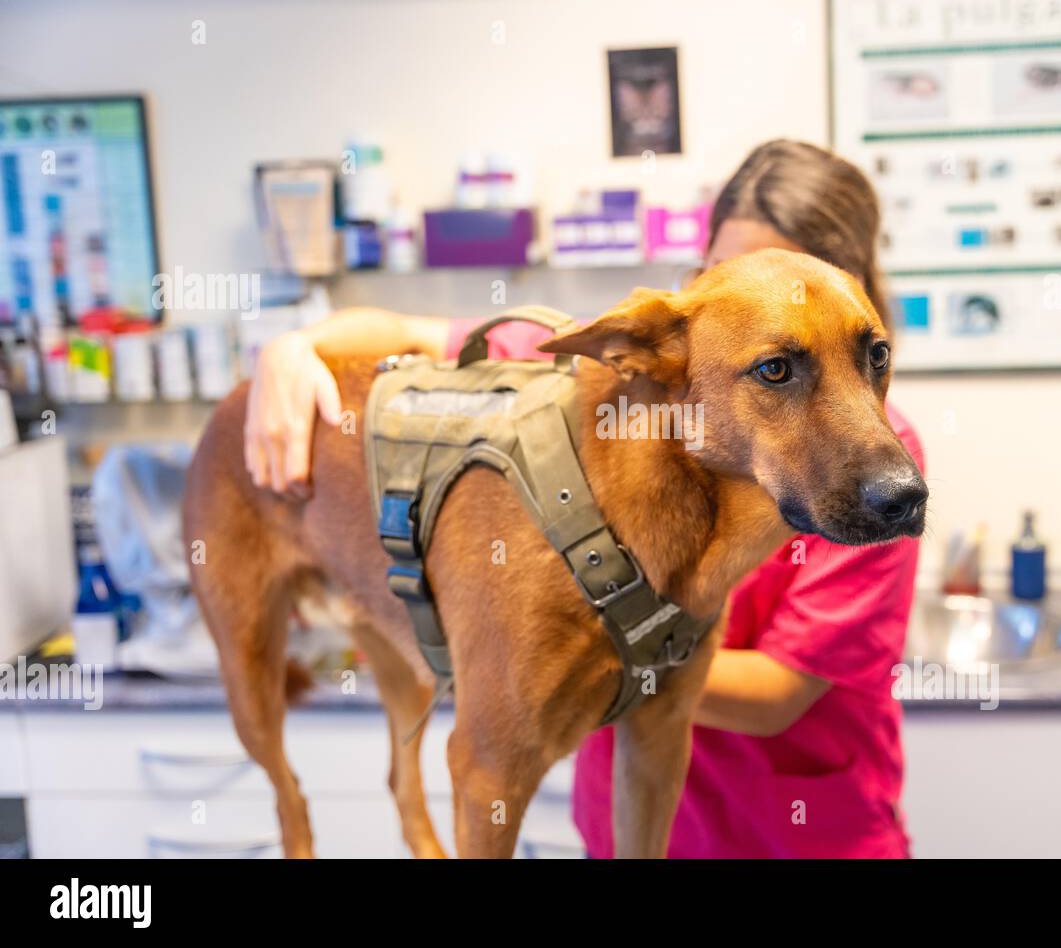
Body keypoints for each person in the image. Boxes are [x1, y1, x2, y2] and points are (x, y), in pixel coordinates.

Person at [243, 139, 925, 858]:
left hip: (798, 837)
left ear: (861, 300)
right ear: (700, 282)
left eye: (810, 283)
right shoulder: (597, 376)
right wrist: (290, 349)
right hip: (623, 827)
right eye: (740, 277)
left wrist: (572, 654)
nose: (776, 287)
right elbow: (407, 332)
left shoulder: (880, 472)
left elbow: (783, 692)